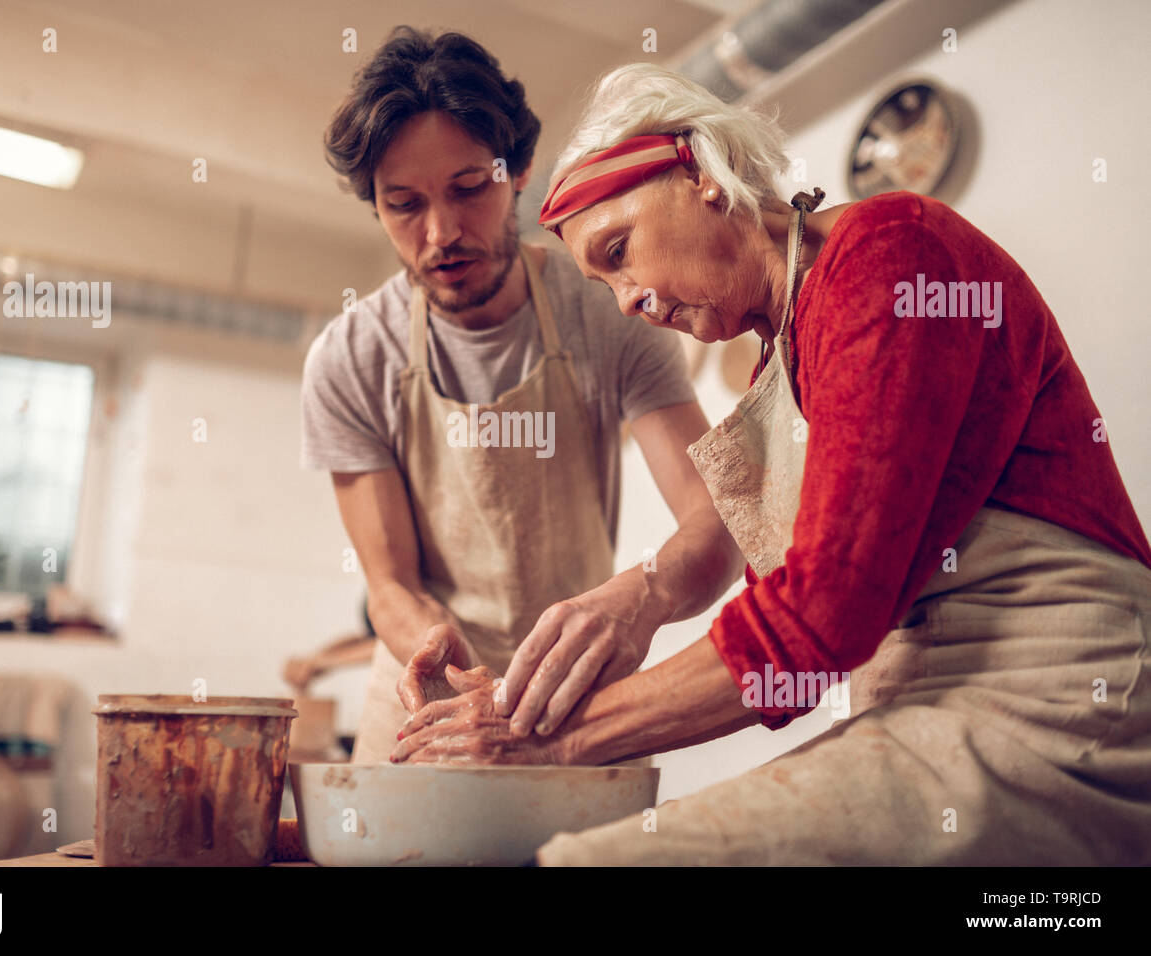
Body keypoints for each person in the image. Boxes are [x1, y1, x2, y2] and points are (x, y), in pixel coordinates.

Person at [392, 62, 1151, 866]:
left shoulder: (895, 251)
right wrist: (530, 709)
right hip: (924, 707)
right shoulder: (779, 366)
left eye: (619, 252)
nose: (627, 304)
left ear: (704, 178)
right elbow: (785, 639)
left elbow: (823, 617)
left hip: (1063, 699)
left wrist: (545, 740)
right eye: (602, 282)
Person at [302, 32, 743, 763]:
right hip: (424, 694)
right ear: (374, 206)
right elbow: (389, 584)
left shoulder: (607, 309)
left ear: (520, 171)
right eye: (403, 204)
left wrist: (645, 596)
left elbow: (715, 522)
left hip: (573, 689)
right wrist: (427, 643)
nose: (441, 233)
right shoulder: (351, 358)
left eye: (470, 188)